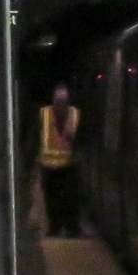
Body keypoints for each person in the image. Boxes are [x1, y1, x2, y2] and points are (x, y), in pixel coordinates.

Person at [37, 85, 81, 237]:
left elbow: (82, 138)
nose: (61, 104)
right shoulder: (44, 113)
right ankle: (55, 228)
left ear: (68, 101)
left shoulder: (75, 114)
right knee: (51, 201)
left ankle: (71, 228)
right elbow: (35, 137)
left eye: (64, 101)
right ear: (53, 101)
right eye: (58, 101)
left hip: (68, 166)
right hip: (48, 166)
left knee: (69, 199)